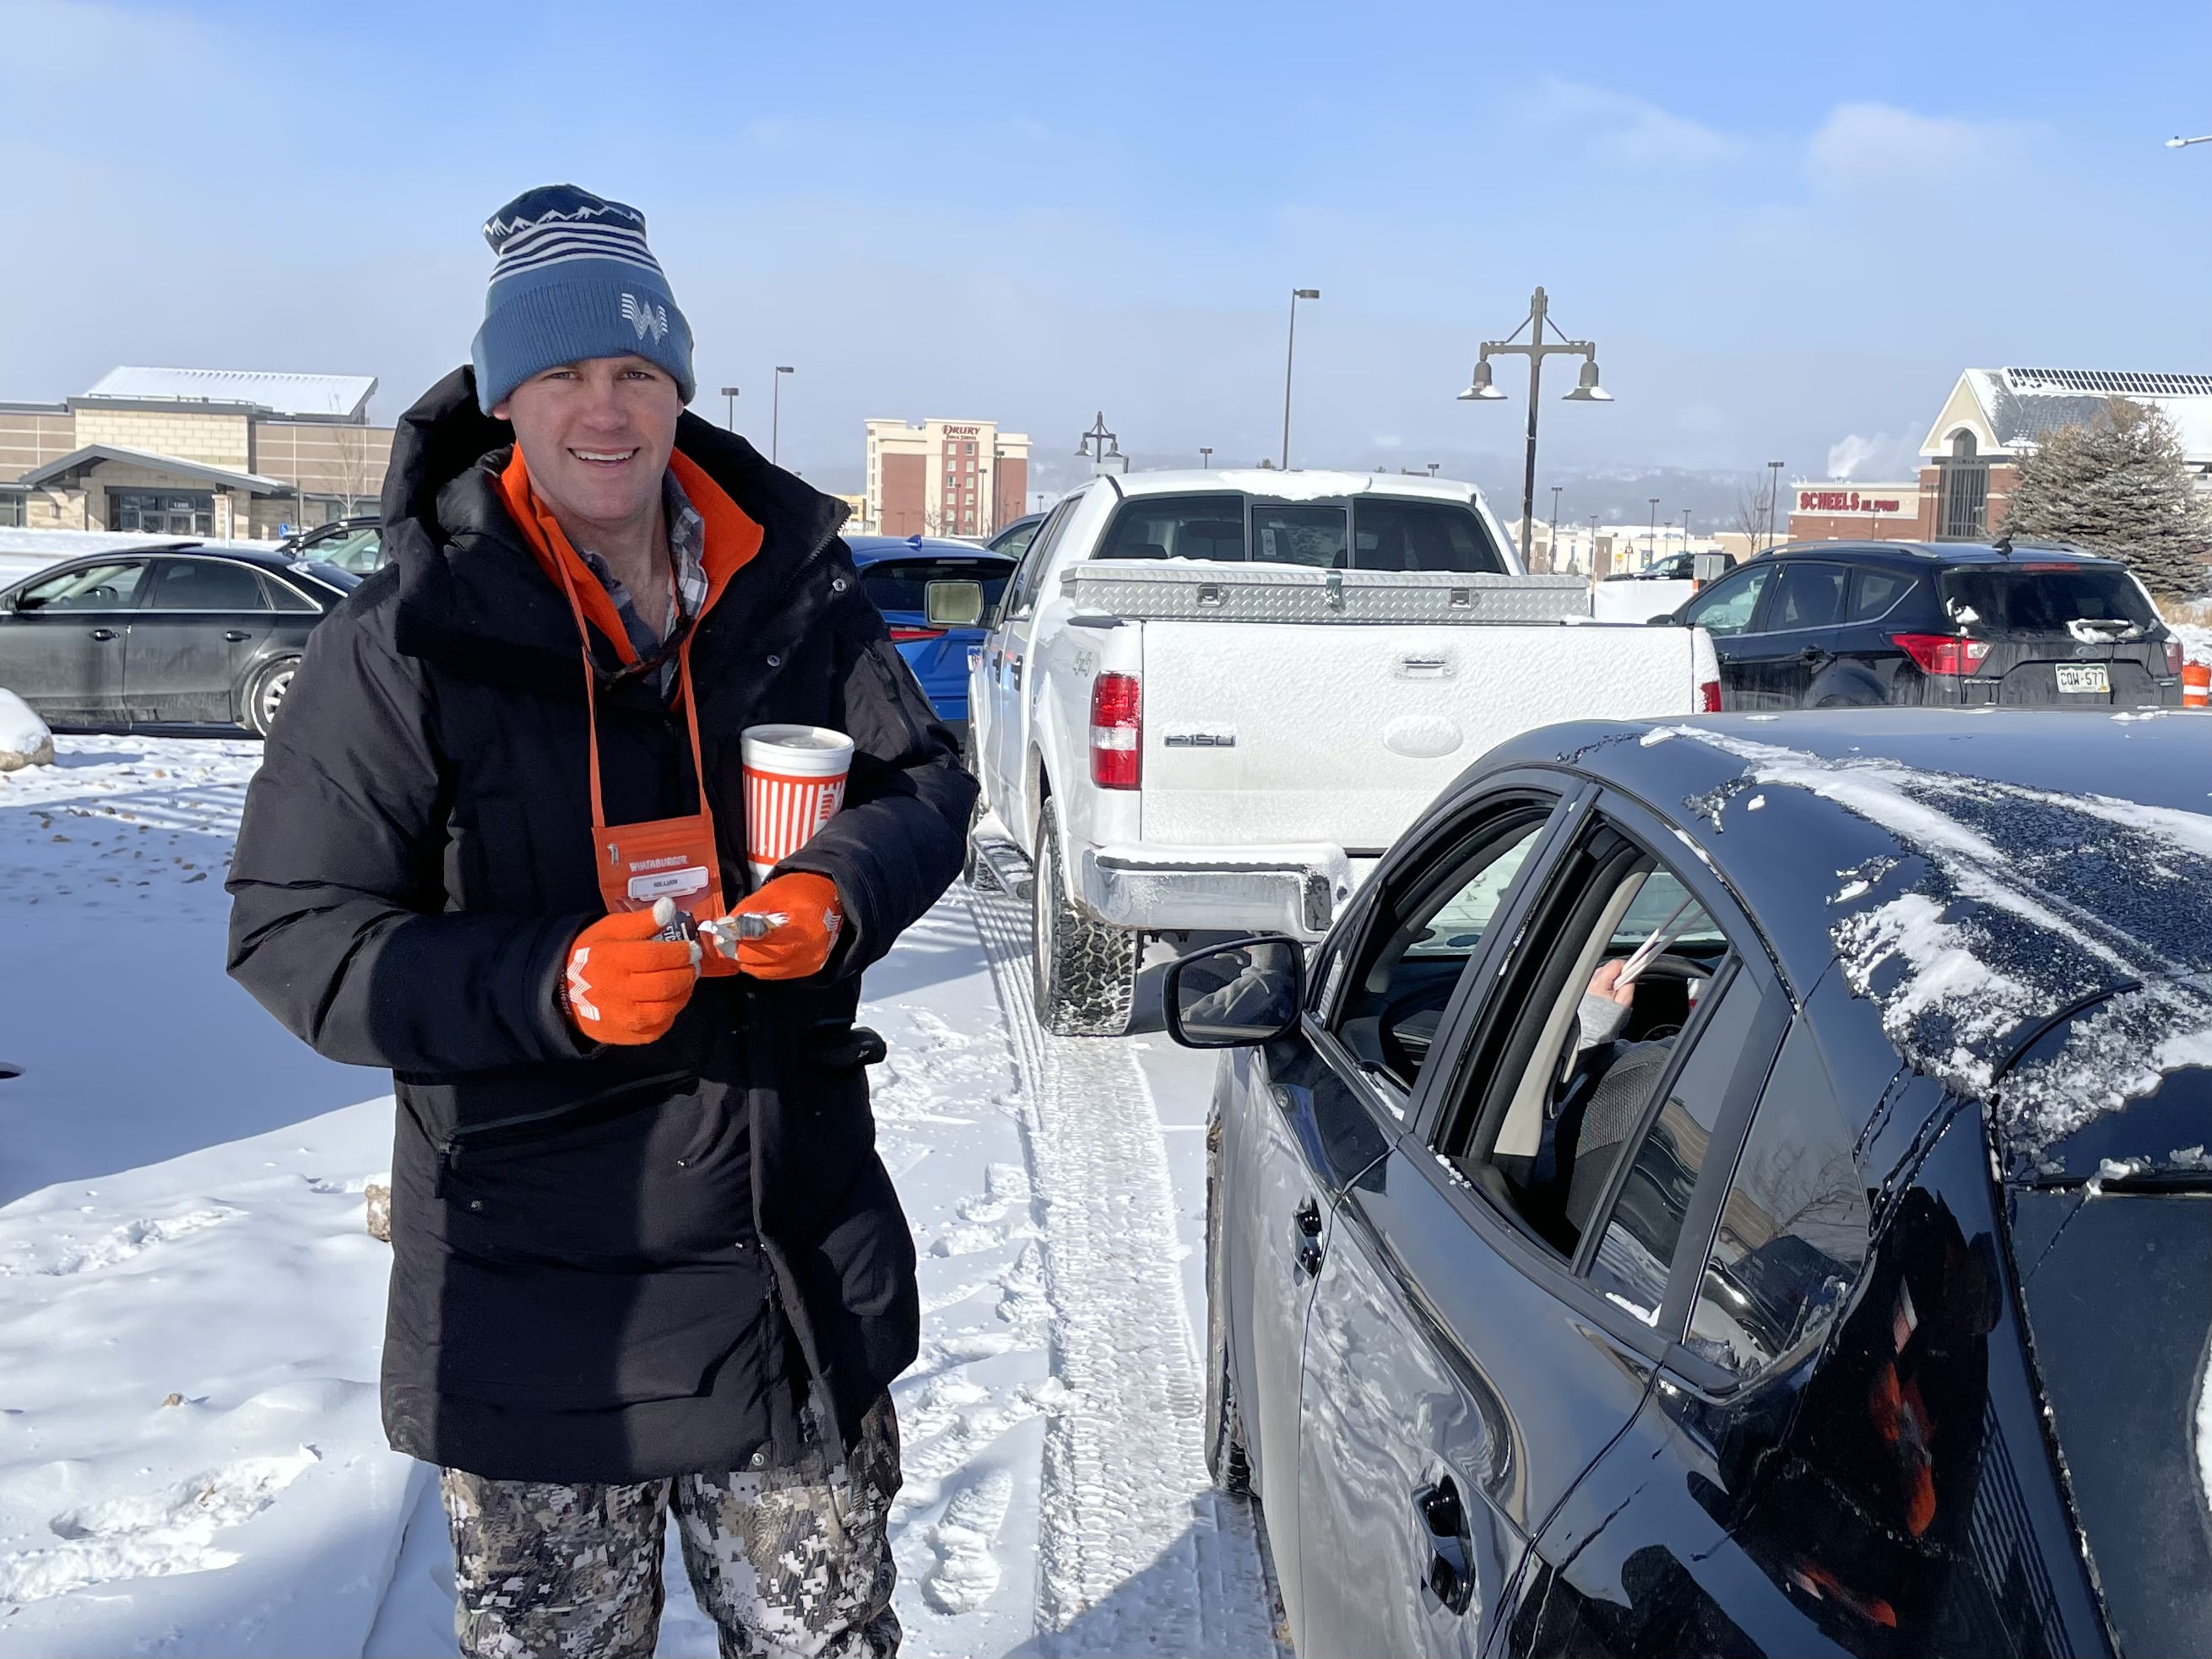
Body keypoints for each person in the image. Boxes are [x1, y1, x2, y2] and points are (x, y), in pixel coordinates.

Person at [225, 185, 973, 1658]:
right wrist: (544, 981)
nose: (607, 408)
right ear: (507, 401)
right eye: (564, 373)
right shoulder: (401, 645)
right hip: (538, 1305)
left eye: (636, 370)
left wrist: (839, 891)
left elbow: (923, 789)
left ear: (681, 385)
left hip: (787, 1270)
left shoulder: (791, 596)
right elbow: (293, 932)